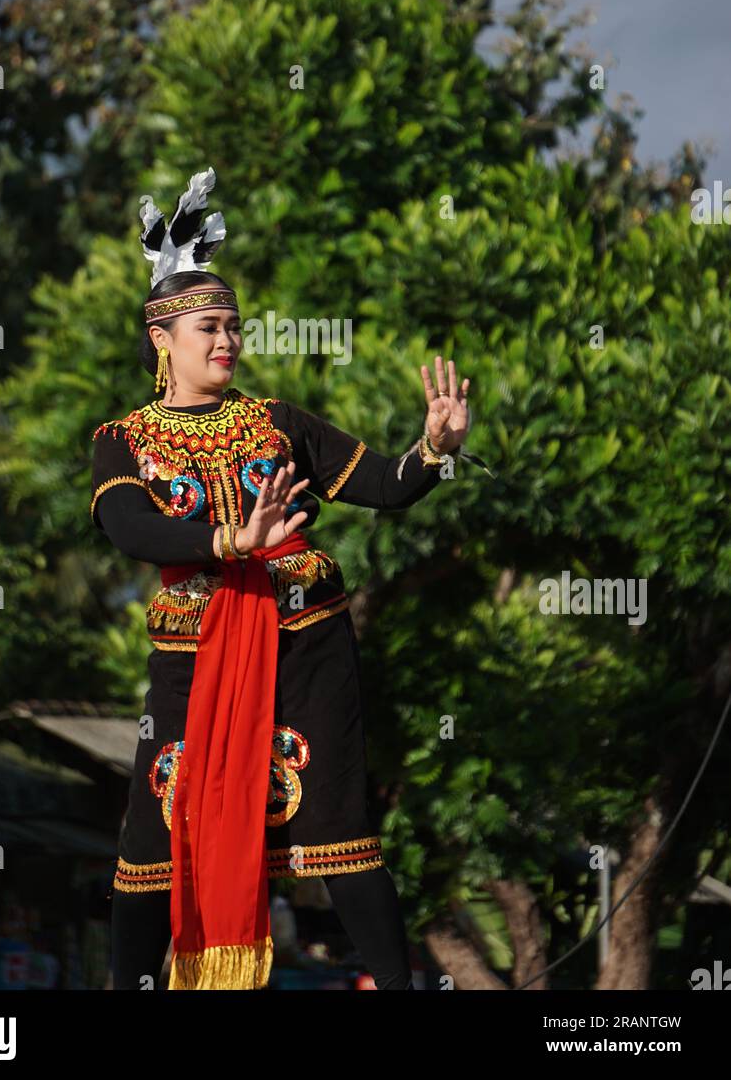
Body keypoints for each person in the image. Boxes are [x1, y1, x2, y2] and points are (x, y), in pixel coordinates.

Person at [90, 168, 475, 991]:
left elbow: (387, 487)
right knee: (156, 836)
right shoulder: (124, 438)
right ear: (162, 339)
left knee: (339, 829)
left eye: (233, 326)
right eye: (208, 327)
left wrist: (435, 450)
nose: (227, 341)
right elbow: (127, 526)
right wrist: (230, 539)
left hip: (306, 644)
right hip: (193, 651)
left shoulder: (281, 423)